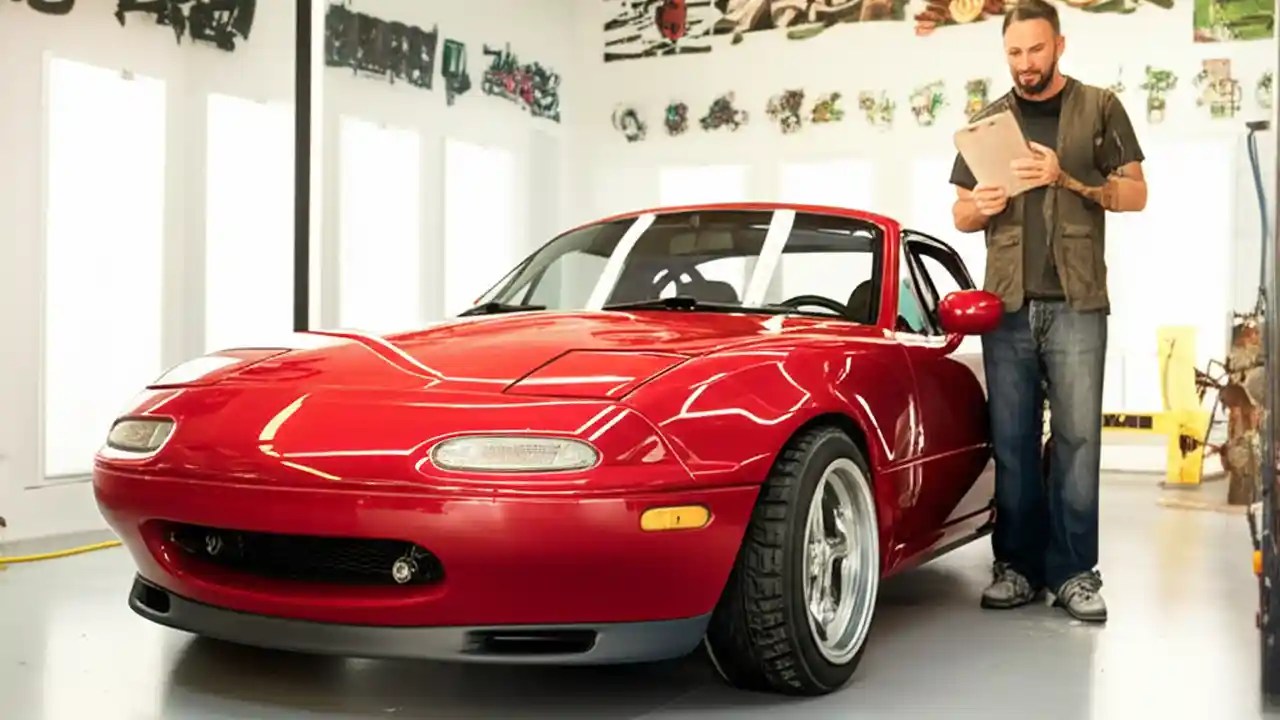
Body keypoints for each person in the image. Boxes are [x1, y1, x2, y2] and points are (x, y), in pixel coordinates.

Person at [949, 0, 1148, 623]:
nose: (1025, 63)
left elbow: (1136, 193)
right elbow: (958, 213)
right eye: (1014, 52)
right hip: (1007, 307)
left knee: (1078, 442)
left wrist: (1069, 181)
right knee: (1010, 442)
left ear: (1059, 45)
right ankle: (1016, 568)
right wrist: (979, 206)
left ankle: (1074, 573)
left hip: (1078, 303)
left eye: (1035, 50)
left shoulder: (1100, 107)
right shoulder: (987, 122)